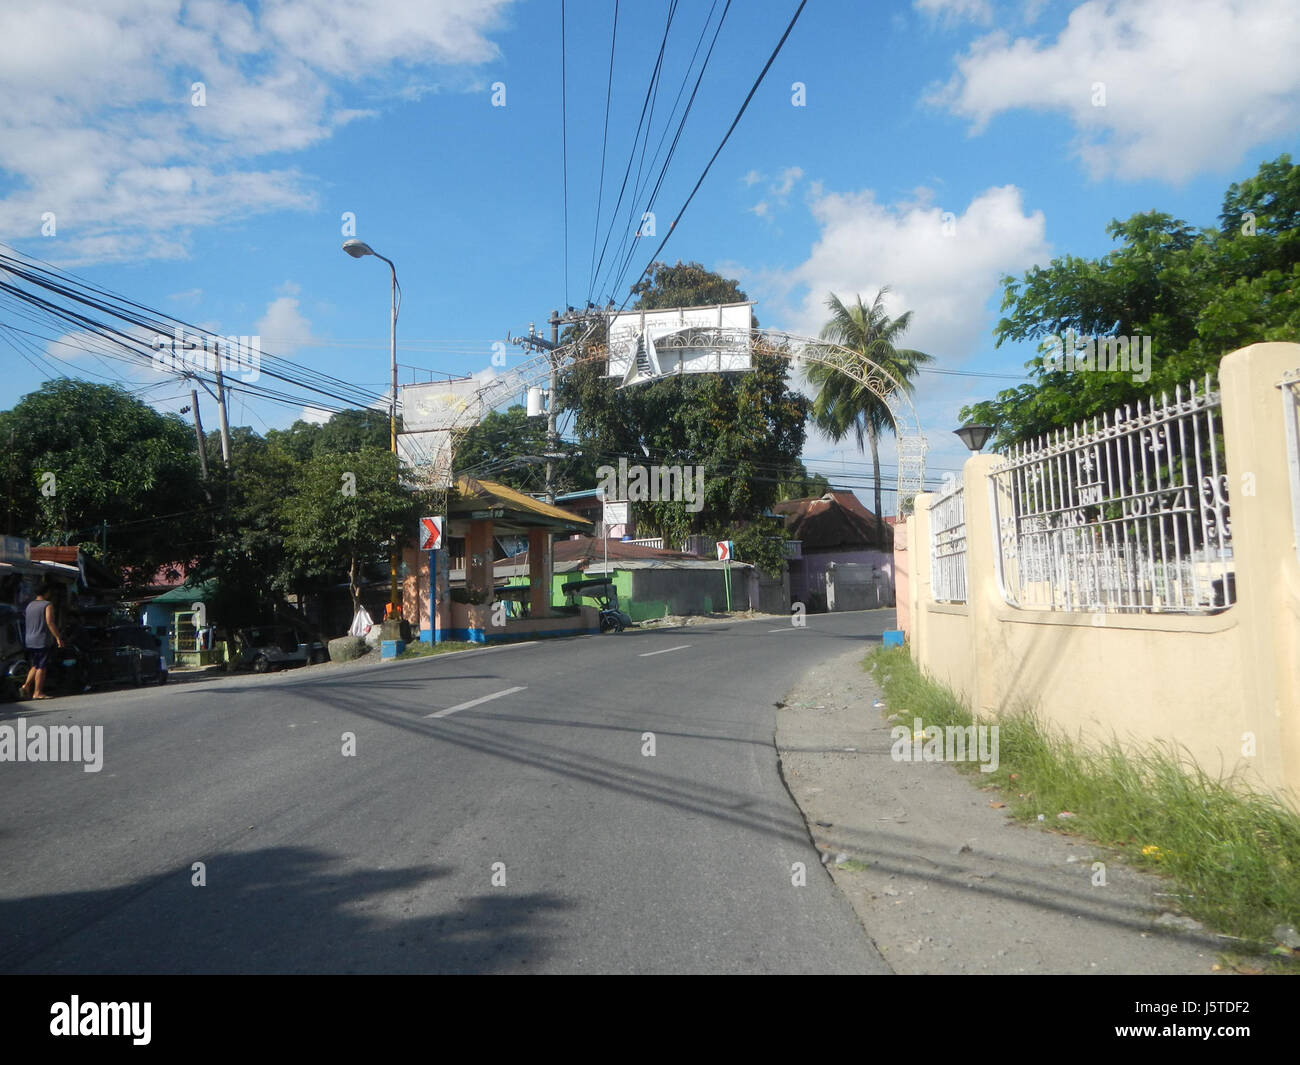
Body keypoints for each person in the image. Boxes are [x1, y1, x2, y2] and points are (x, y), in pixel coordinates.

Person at [20, 580, 65, 700]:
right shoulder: (47, 605)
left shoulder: (29, 605)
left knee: (35, 664)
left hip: (29, 639)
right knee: (42, 666)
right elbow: (50, 622)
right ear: (47, 592)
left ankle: (25, 686)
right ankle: (37, 692)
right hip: (42, 639)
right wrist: (58, 638)